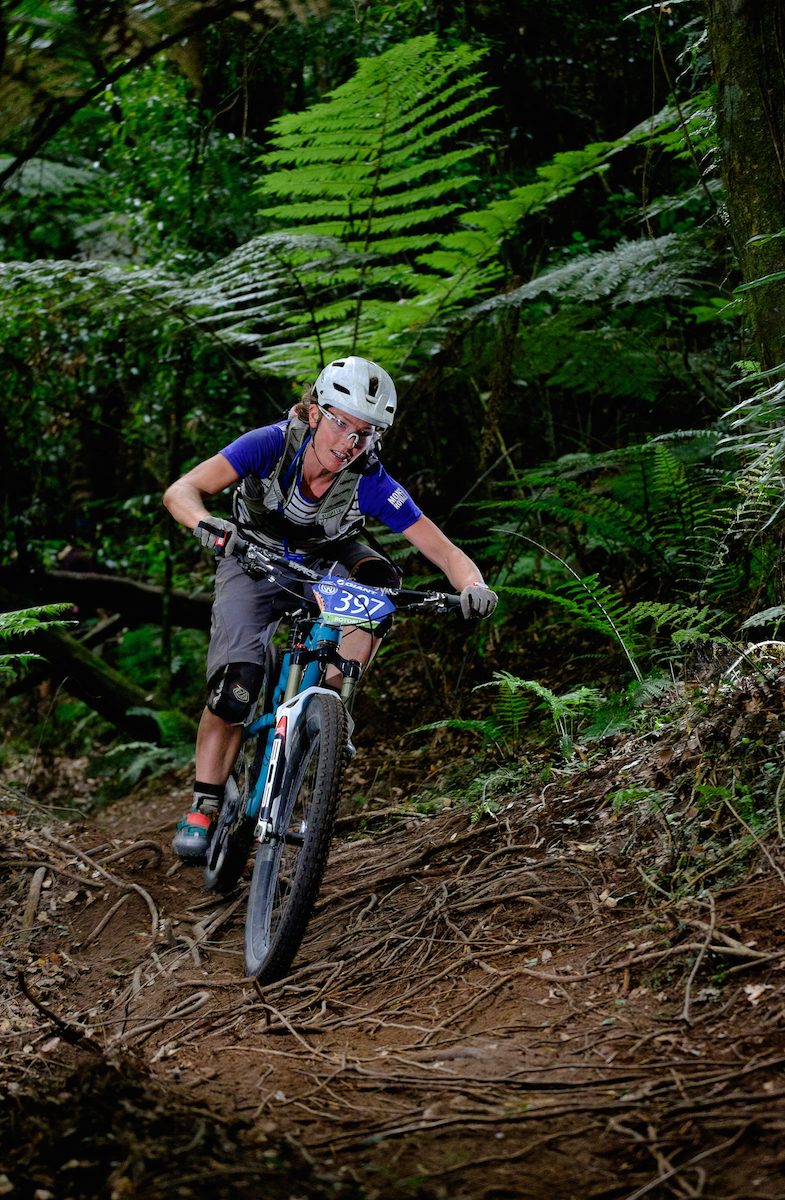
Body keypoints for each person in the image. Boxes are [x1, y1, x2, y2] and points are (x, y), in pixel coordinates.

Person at [164, 356, 498, 860]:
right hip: (251, 555)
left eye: (366, 433)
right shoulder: (269, 444)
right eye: (342, 423)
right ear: (316, 411)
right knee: (235, 688)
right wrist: (209, 525)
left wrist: (473, 584)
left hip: (328, 561)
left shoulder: (371, 479)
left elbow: (444, 551)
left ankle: (333, 696)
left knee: (382, 579)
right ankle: (205, 802)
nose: (350, 441)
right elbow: (181, 490)